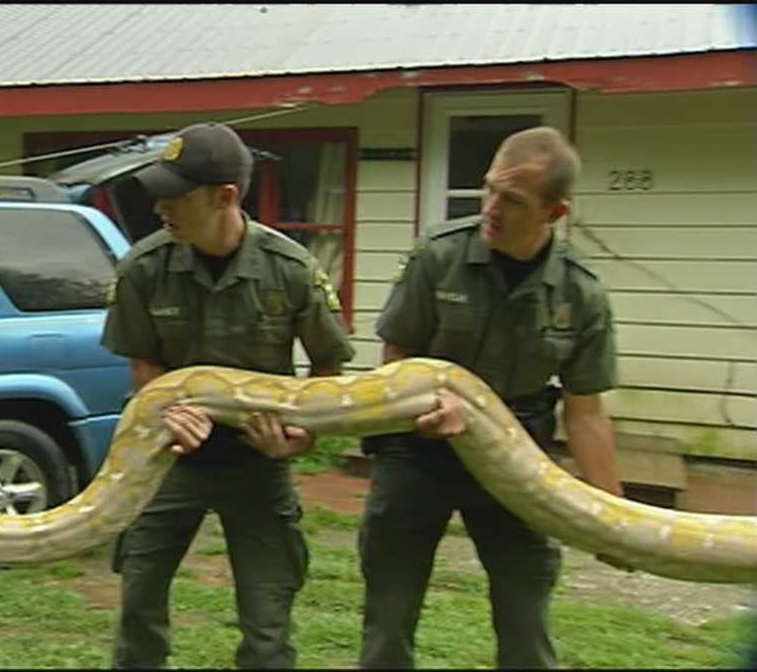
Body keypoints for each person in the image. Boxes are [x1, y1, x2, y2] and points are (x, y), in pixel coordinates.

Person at [357, 126, 628, 669]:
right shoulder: (438, 256)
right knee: (389, 607)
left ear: (554, 212)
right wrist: (426, 407)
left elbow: (586, 412)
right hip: (418, 450)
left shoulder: (581, 293)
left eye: (513, 200)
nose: (492, 208)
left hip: (516, 456)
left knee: (525, 606)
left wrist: (613, 519)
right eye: (490, 189)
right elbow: (397, 357)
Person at [101, 122, 355, 669]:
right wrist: (169, 412)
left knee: (267, 618)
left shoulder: (291, 269)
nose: (160, 207)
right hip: (167, 458)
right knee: (139, 600)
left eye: (176, 196)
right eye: (159, 194)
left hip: (256, 462)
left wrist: (300, 437)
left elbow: (328, 367)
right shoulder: (144, 267)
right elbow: (142, 362)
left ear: (225, 197)